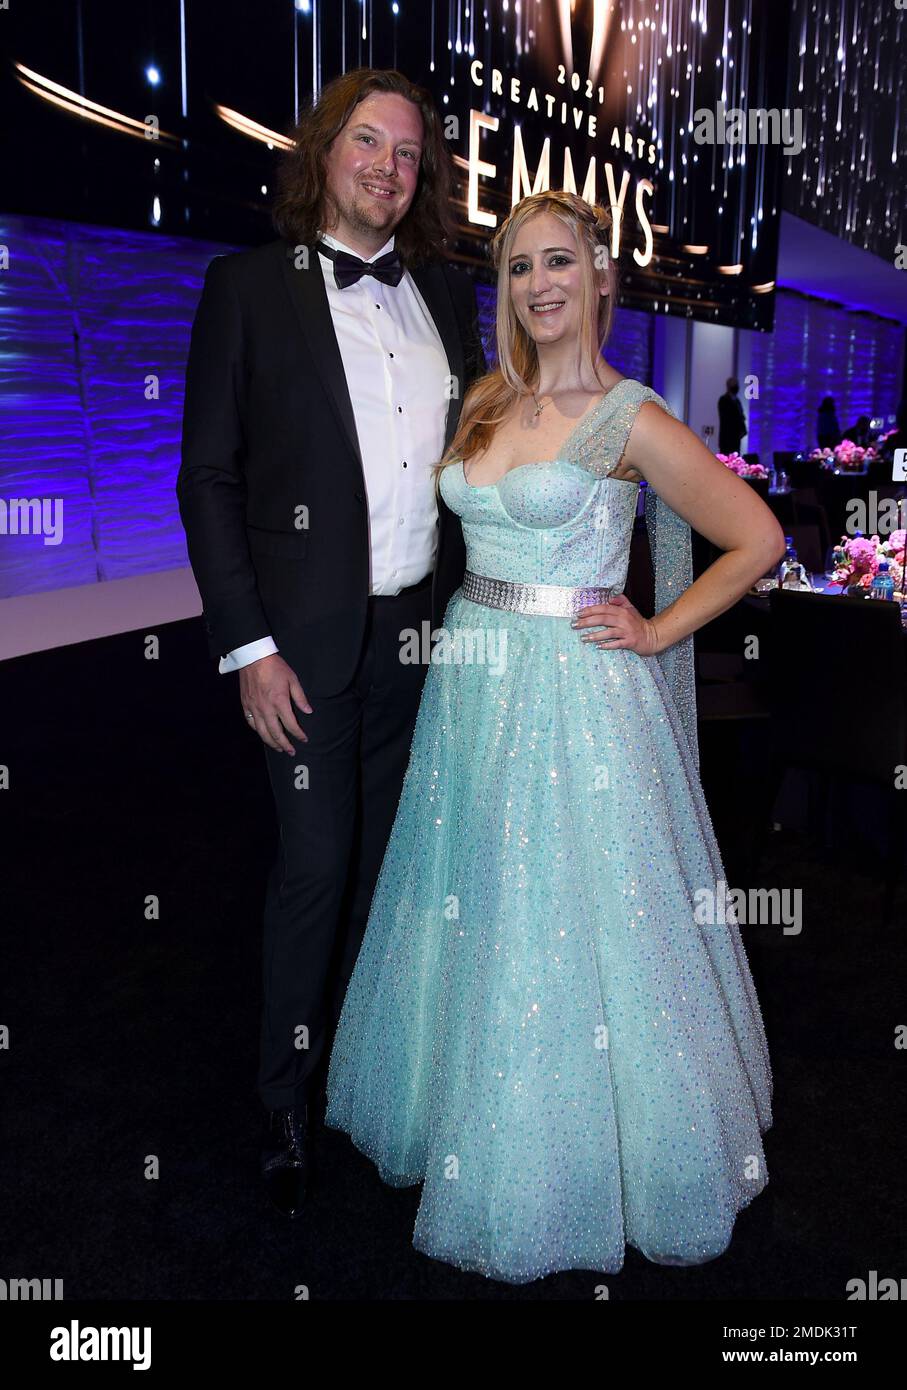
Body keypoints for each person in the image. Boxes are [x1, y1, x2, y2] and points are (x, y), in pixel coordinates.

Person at [326, 190, 785, 1282]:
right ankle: (458, 1112)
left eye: (558, 263)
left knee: (575, 920)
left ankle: (560, 1165)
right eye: (519, 266)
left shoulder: (627, 415)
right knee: (471, 901)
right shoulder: (485, 398)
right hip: (471, 692)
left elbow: (755, 537)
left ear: (599, 276)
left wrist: (658, 624)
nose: (537, 284)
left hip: (577, 697)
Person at [177, 68, 486, 1218]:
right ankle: (283, 1098)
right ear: (324, 150)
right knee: (313, 869)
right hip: (300, 646)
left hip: (418, 637)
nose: (387, 168)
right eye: (368, 141)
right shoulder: (248, 289)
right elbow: (208, 477)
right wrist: (247, 646)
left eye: (408, 154)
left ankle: (360, 1072)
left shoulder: (443, 302)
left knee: (383, 874)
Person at [717, 376, 747, 456]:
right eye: (734, 385)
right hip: (727, 438)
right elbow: (726, 418)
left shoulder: (737, 401)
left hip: (736, 438)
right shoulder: (723, 400)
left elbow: (741, 415)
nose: (736, 387)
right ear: (728, 386)